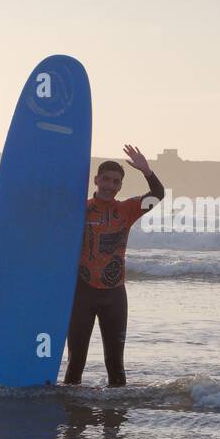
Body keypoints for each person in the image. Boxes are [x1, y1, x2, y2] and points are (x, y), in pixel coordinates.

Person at [63, 145, 165, 387]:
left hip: (115, 295)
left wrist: (146, 171)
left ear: (120, 186)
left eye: (115, 182)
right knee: (76, 361)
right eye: (105, 179)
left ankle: (115, 421)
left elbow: (158, 194)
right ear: (96, 180)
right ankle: (71, 421)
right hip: (82, 293)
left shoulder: (127, 210)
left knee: (116, 365)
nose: (109, 185)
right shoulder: (79, 209)